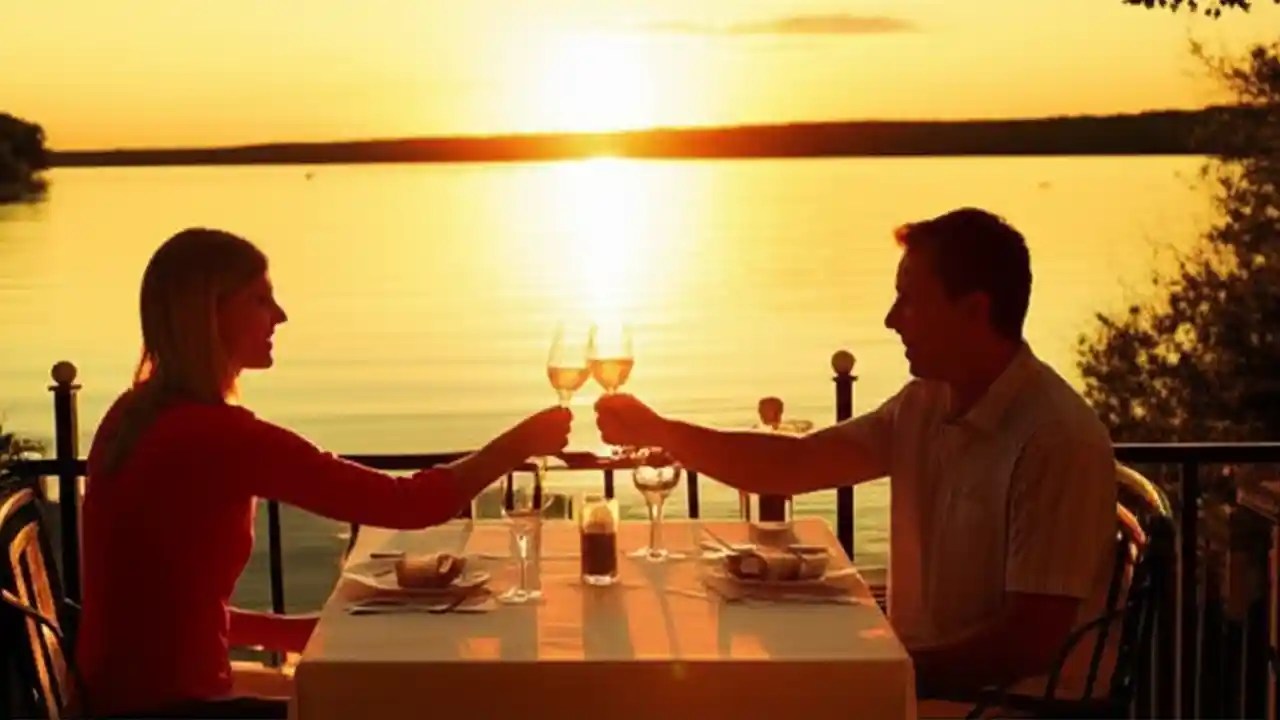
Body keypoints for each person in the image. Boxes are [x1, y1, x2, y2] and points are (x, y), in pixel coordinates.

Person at [595, 208, 1117, 697]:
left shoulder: (1054, 440)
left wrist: (874, 677)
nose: (892, 320)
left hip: (992, 707)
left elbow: (1027, 644)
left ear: (974, 310)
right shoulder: (927, 403)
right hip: (923, 686)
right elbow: (793, 465)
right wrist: (660, 430)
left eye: (909, 300)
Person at [77, 228, 571, 719]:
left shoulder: (132, 415)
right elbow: (407, 504)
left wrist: (293, 632)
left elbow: (161, 606)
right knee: (426, 705)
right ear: (211, 313)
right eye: (261, 299)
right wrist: (519, 445)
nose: (280, 315)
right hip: (175, 709)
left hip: (123, 696)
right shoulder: (214, 437)